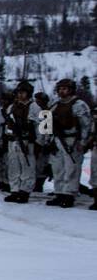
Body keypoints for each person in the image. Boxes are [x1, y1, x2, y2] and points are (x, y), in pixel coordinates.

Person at [46, 78, 92, 208]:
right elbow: (47, 123)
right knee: (58, 168)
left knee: (71, 168)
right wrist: (48, 140)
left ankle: (69, 194)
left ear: (71, 90)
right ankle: (59, 192)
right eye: (60, 89)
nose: (62, 91)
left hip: (72, 140)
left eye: (65, 89)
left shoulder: (79, 105)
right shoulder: (55, 104)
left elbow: (86, 125)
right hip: (57, 140)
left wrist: (83, 142)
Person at [1, 82, 39, 203]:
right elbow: (7, 124)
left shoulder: (35, 107)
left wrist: (40, 142)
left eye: (23, 92)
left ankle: (25, 191)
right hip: (13, 141)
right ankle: (15, 190)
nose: (20, 95)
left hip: (27, 141)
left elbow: (43, 127)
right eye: (18, 93)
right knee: (13, 167)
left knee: (27, 167)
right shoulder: (11, 107)